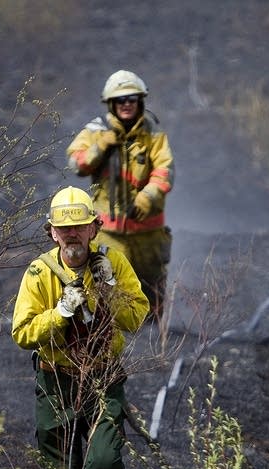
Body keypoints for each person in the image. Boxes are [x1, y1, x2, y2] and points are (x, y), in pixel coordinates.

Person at [11, 186, 150, 469]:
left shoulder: (115, 264)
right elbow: (22, 333)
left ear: (94, 228)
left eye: (79, 227)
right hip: (56, 382)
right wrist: (60, 313)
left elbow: (137, 317)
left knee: (103, 465)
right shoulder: (39, 272)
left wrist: (109, 290)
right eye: (63, 228)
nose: (72, 234)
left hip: (104, 381)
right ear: (52, 232)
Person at [67, 69, 174, 320]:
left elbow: (165, 169)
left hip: (148, 232)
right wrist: (102, 145)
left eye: (132, 99)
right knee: (109, 285)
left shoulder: (153, 133)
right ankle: (113, 339)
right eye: (121, 100)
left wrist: (148, 197)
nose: (127, 104)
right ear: (111, 103)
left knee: (151, 286)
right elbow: (76, 163)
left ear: (140, 101)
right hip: (110, 231)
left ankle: (154, 340)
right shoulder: (96, 130)